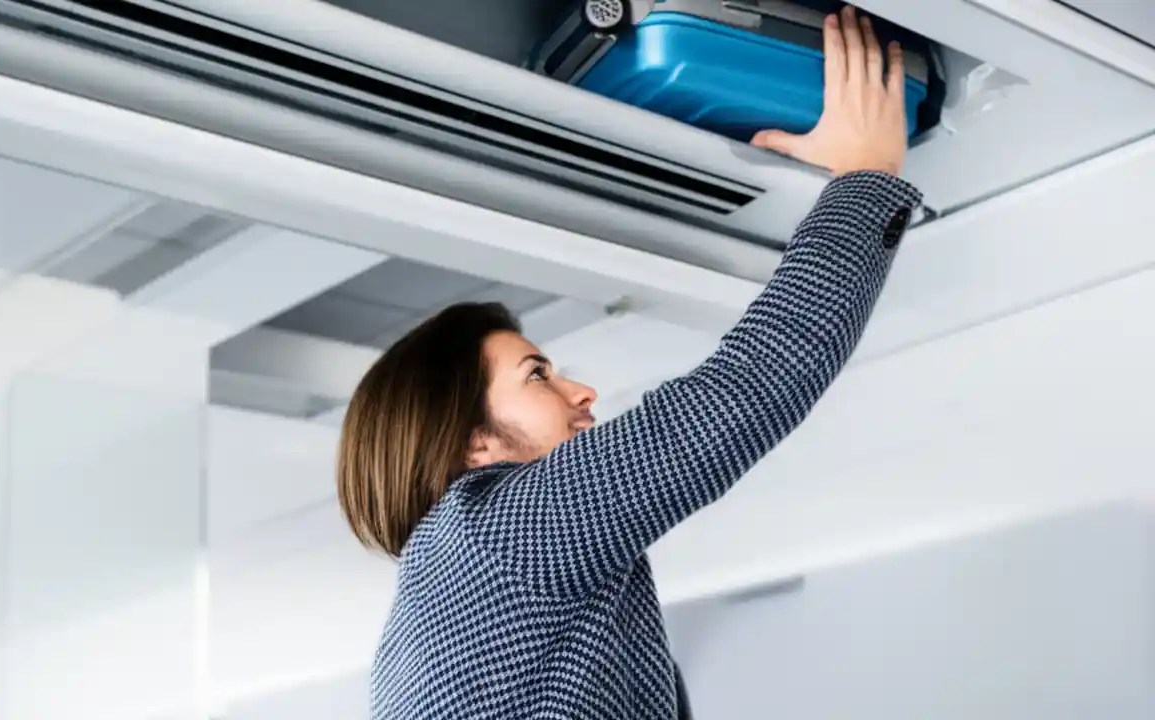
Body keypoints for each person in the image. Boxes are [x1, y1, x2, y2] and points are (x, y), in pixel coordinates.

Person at [336, 7, 922, 719]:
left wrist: (862, 181)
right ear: (472, 441)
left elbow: (741, 394)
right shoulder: (491, 538)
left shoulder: (459, 583)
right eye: (537, 376)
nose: (581, 391)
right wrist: (867, 175)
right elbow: (746, 390)